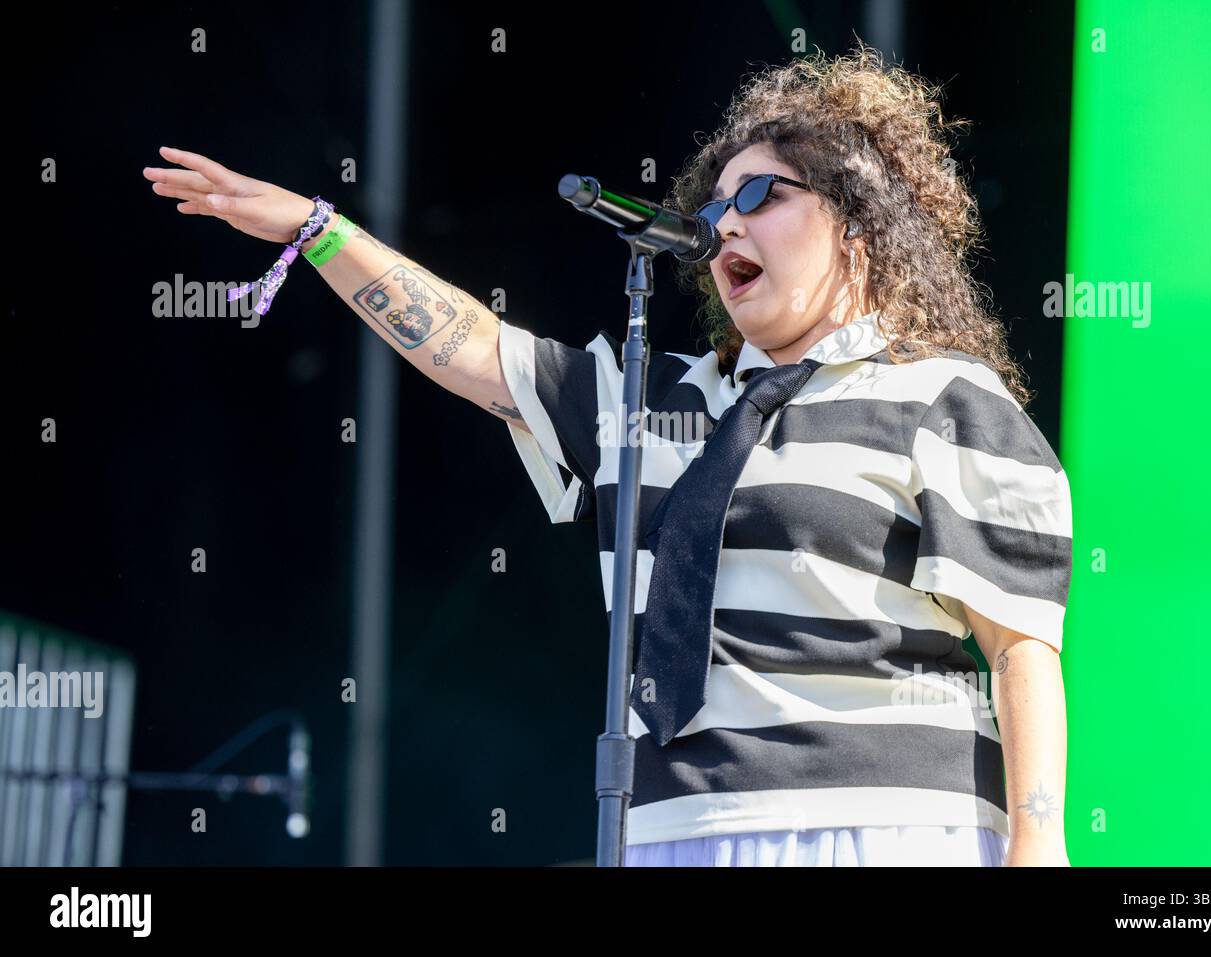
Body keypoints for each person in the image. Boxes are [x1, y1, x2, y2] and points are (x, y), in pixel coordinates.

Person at [142, 40, 1071, 868]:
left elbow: (1020, 647)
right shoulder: (647, 400)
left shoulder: (942, 397)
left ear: (858, 229)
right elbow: (466, 344)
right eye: (712, 209)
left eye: (760, 195)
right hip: (667, 828)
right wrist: (318, 230)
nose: (725, 226)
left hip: (889, 823)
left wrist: (1039, 840)